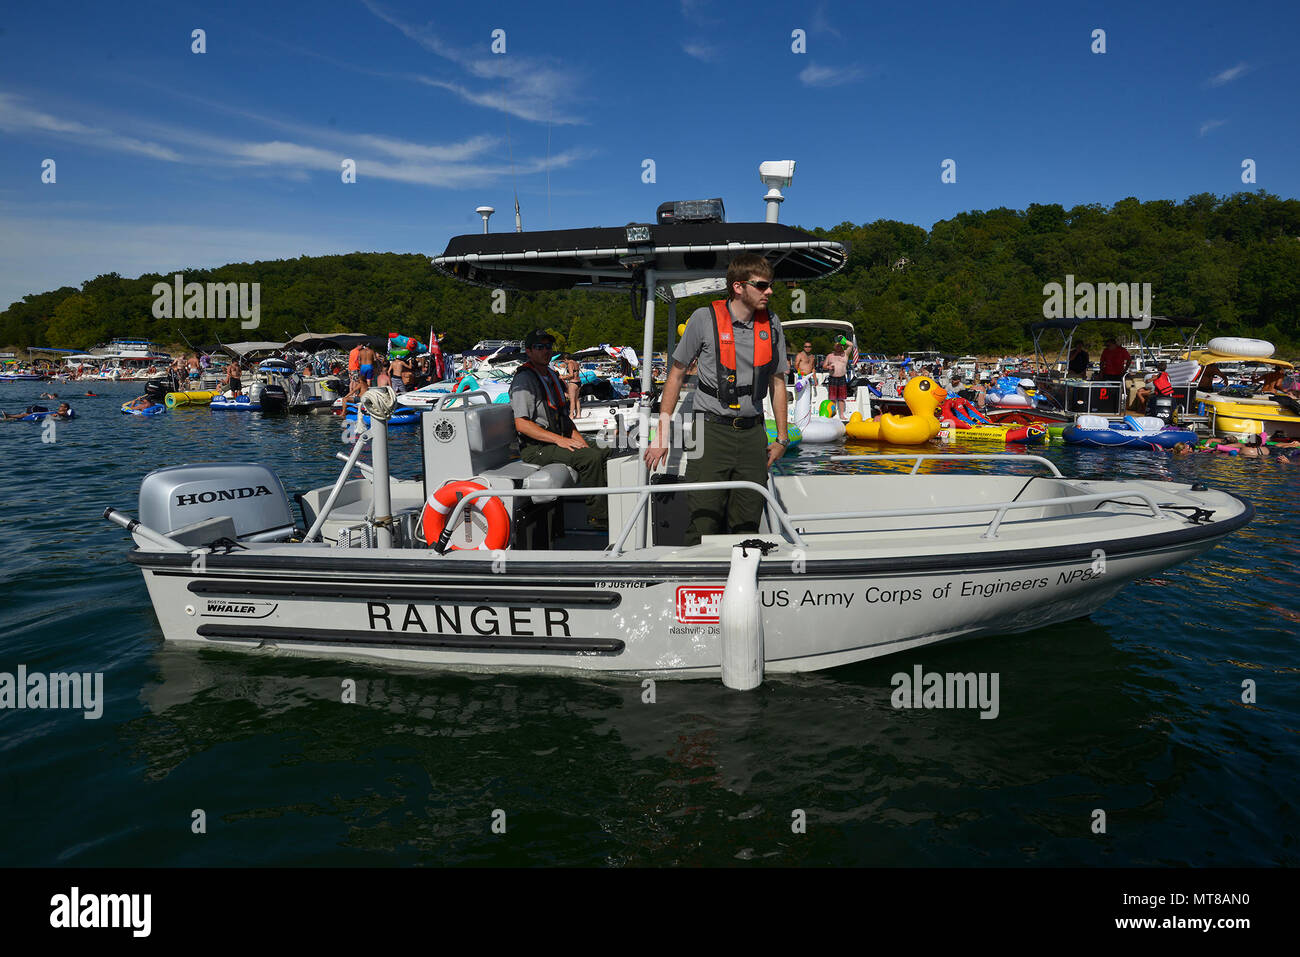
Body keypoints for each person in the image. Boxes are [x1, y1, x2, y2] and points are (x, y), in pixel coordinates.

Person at [644, 253, 789, 546]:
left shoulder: (772, 324)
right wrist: (661, 434)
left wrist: (782, 439)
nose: (770, 291)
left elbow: (777, 382)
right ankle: (698, 574)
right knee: (703, 522)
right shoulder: (703, 319)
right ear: (738, 287)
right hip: (710, 432)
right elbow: (676, 375)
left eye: (770, 285)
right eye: (762, 285)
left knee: (748, 524)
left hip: (753, 434)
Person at [510, 329, 613, 529]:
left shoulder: (550, 376)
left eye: (548, 346)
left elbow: (564, 419)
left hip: (555, 440)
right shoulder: (524, 380)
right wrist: (561, 440)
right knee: (590, 458)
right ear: (529, 351)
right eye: (539, 347)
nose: (546, 351)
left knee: (606, 451)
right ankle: (599, 517)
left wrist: (579, 440)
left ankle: (613, 505)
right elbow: (521, 424)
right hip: (536, 448)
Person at [822, 340, 850, 419]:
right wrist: (828, 367)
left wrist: (842, 339)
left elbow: (851, 345)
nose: (838, 347)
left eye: (840, 346)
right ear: (834, 347)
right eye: (837, 346)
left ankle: (842, 415)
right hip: (832, 378)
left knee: (841, 398)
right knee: (832, 398)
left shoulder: (845, 354)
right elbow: (824, 366)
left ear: (842, 346)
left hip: (842, 378)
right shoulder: (830, 356)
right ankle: (832, 414)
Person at [560, 353, 582, 418]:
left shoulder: (570, 364)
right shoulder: (576, 363)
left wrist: (562, 377)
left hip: (573, 383)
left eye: (564, 361)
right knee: (577, 399)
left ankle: (571, 415)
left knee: (572, 400)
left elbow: (571, 375)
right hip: (579, 382)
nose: (564, 362)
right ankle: (578, 414)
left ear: (566, 359)